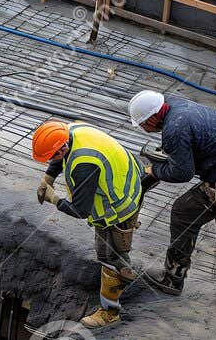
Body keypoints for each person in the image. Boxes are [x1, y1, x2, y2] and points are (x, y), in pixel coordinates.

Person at [127, 90, 216, 309]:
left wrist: (153, 170)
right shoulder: (174, 104)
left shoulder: (175, 128)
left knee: (183, 212)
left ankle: (173, 278)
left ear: (153, 117)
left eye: (143, 125)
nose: (144, 130)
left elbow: (182, 173)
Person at [32, 119, 144, 329]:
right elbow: (58, 154)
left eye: (50, 157)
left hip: (118, 206)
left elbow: (80, 210)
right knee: (108, 254)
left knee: (108, 257)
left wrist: (54, 198)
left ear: (62, 147)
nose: (50, 160)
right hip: (128, 179)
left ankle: (110, 310)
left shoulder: (83, 165)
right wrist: (48, 177)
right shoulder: (73, 129)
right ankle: (122, 272)